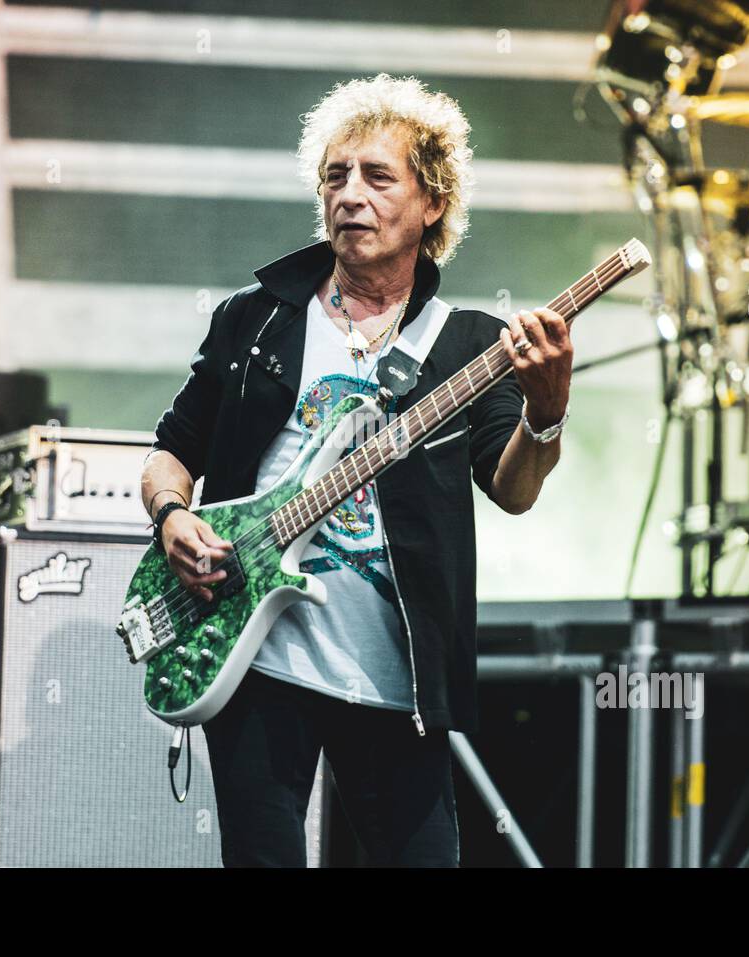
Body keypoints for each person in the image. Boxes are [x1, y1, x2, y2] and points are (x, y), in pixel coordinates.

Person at [141, 73, 574, 867]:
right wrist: (172, 515)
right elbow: (172, 451)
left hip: (395, 677)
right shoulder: (258, 316)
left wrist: (545, 415)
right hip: (259, 651)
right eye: (336, 176)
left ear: (432, 203)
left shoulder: (466, 345)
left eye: (378, 177)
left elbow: (510, 490)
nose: (351, 195)